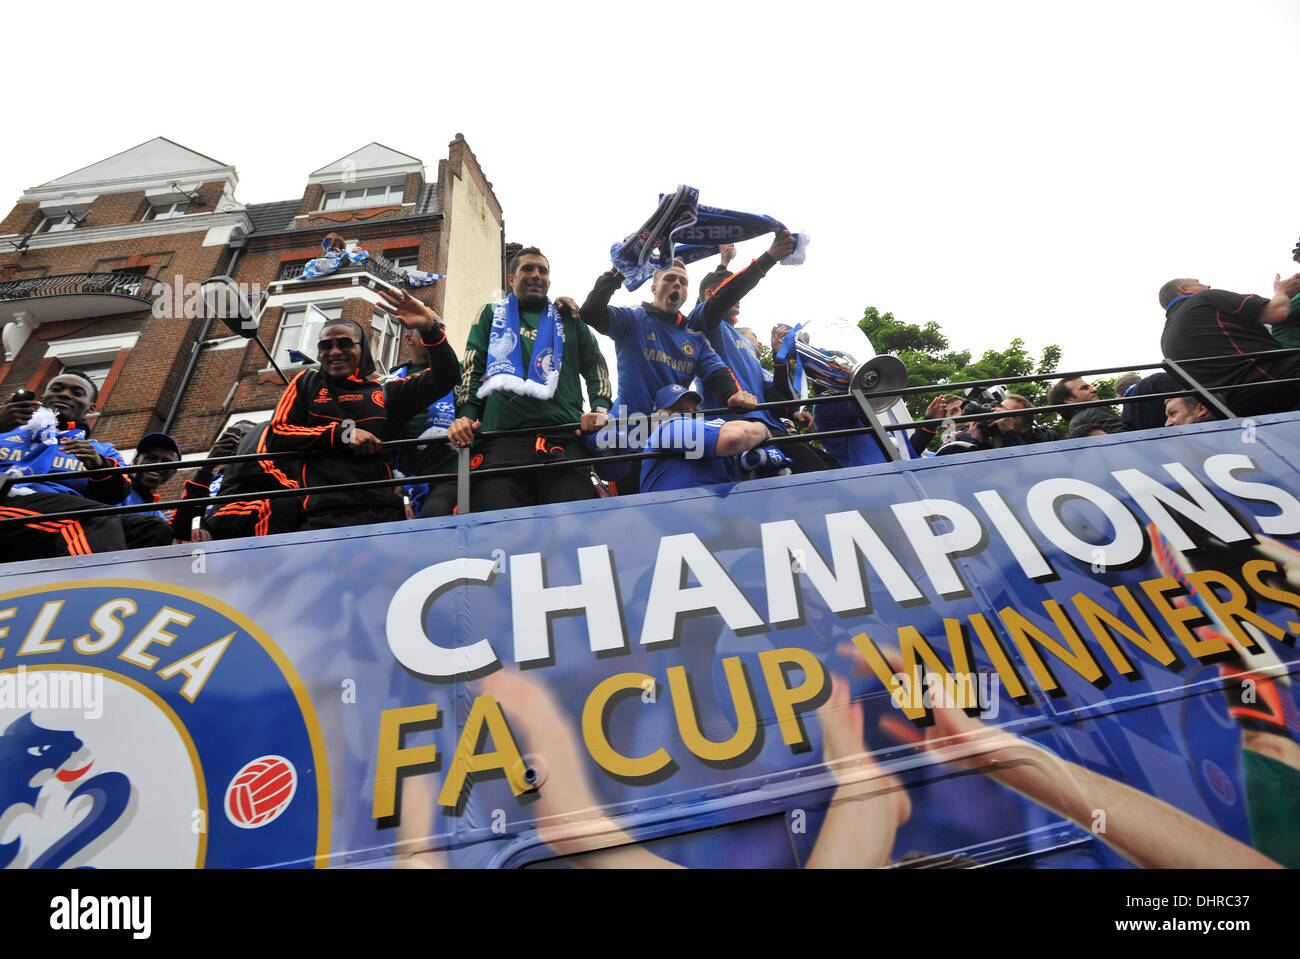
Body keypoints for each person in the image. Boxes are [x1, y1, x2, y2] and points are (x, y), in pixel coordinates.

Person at [263, 289, 458, 530]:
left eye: (344, 343)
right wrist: (343, 434)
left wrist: (429, 328)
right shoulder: (307, 382)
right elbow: (276, 436)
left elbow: (446, 377)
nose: (334, 351)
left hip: (383, 513)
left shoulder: (387, 391)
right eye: (325, 346)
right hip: (321, 515)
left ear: (363, 348)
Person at [448, 247, 611, 512]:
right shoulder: (491, 314)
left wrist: (600, 410)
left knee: (571, 533)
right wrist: (466, 415)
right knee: (501, 534)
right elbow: (472, 367)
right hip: (500, 444)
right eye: (527, 269)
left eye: (543, 271)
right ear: (511, 279)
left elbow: (596, 366)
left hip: (563, 442)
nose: (536, 275)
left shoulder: (569, 318)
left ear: (549, 280)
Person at [579, 257, 758, 493]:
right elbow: (590, 312)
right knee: (632, 515)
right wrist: (618, 272)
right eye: (670, 279)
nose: (677, 285)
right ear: (654, 287)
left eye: (683, 282)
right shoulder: (634, 318)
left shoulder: (694, 336)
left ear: (685, 294)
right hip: (628, 436)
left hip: (675, 437)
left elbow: (716, 371)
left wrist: (733, 395)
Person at [685, 232, 830, 475]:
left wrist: (793, 411)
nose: (739, 300)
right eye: (735, 294)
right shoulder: (702, 323)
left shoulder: (742, 341)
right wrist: (769, 258)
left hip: (772, 427)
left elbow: (767, 389)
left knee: (829, 469)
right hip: (737, 429)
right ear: (710, 296)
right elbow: (723, 297)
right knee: (818, 475)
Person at [0, 370, 129, 559]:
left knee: (151, 527)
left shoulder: (102, 450)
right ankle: (97, 586)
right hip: (7, 501)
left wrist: (99, 465)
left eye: (77, 393)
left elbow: (116, 496)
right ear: (43, 397)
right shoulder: (5, 430)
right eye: (56, 389)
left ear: (91, 408)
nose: (64, 394)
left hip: (63, 515)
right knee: (92, 516)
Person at [1158, 273, 1300, 417]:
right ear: (1185, 289)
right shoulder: (1205, 299)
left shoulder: (1165, 341)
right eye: (1198, 282)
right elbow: (1276, 312)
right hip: (1277, 378)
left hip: (1238, 409)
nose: (1207, 286)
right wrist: (1282, 292)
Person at [640, 384, 774, 493]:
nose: (690, 416)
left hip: (716, 515)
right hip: (682, 517)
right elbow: (733, 438)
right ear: (657, 419)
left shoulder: (710, 437)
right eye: (681, 412)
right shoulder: (667, 427)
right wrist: (763, 428)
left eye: (695, 410)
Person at [116, 431, 182, 548]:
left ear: (173, 472)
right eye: (151, 458)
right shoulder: (114, 485)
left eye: (166, 462)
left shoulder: (156, 514)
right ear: (136, 461)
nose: (157, 464)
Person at [936, 393, 1057, 454]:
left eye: (1008, 414)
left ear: (1026, 425)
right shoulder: (981, 436)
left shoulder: (1045, 437)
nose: (1001, 415)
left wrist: (1009, 432)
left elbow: (1030, 464)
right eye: (999, 409)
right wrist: (976, 441)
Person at [1048, 376, 1130, 435]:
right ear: (1069, 400)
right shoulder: (1094, 410)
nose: (1094, 390)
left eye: (1090, 387)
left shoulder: (1074, 424)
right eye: (1085, 388)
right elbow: (1124, 436)